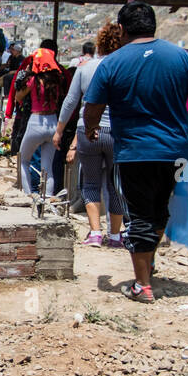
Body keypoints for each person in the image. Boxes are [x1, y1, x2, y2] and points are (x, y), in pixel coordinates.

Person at [83, 1, 188, 303]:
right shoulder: (179, 57)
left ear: (121, 29)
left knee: (138, 214)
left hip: (135, 153)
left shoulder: (112, 62)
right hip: (176, 153)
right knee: (160, 208)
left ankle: (142, 284)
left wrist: (91, 128)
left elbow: (93, 106)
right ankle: (148, 261)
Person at [57, 29, 127, 246]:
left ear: (100, 44)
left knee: (90, 183)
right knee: (116, 185)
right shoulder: (125, 69)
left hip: (88, 131)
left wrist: (59, 131)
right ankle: (115, 235)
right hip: (117, 132)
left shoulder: (85, 69)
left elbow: (70, 101)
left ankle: (95, 233)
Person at [16, 44, 64, 197]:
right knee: (47, 167)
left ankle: (29, 195)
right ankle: (48, 198)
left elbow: (18, 97)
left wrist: (29, 71)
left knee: (23, 160)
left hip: (36, 121)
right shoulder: (57, 81)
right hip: (53, 122)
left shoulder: (33, 80)